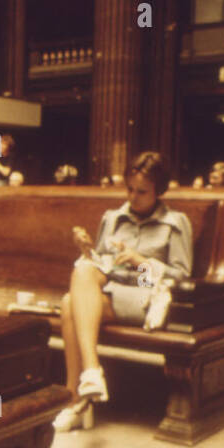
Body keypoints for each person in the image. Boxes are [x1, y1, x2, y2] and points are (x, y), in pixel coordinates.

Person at [53, 151, 192, 433]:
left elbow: (182, 276)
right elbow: (102, 266)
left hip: (147, 297)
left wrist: (142, 262)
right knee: (75, 288)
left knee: (70, 305)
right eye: (129, 189)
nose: (132, 197)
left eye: (142, 192)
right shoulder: (113, 218)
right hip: (112, 291)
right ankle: (89, 376)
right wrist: (87, 251)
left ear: (159, 191)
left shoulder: (176, 223)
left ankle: (76, 398)